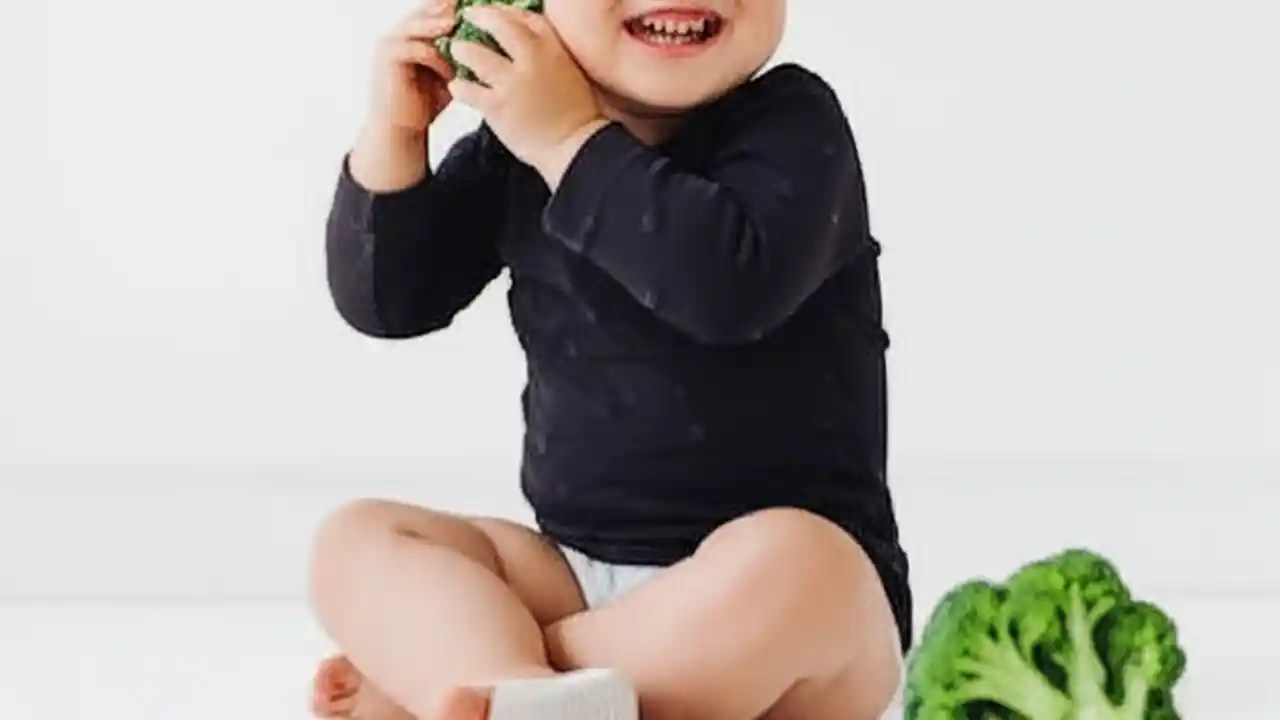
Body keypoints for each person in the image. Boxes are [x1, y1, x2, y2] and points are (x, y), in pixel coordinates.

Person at [311, 0, 911, 718]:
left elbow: (724, 286)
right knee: (355, 540)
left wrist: (569, 138)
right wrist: (396, 134)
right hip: (573, 566)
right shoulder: (516, 148)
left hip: (790, 624)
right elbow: (390, 302)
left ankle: (488, 681)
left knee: (804, 566)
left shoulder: (794, 125)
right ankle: (524, 690)